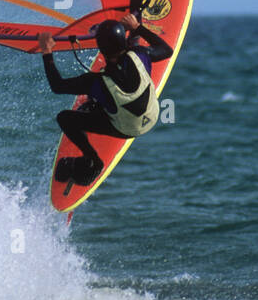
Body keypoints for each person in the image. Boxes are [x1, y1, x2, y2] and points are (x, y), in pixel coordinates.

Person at [38, 13, 174, 186]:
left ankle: (93, 159)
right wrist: (137, 27)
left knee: (65, 118)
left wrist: (47, 52)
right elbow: (166, 50)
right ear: (124, 42)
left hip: (127, 129)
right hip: (153, 117)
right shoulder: (140, 54)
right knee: (103, 99)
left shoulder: (96, 82)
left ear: (101, 49)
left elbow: (58, 86)